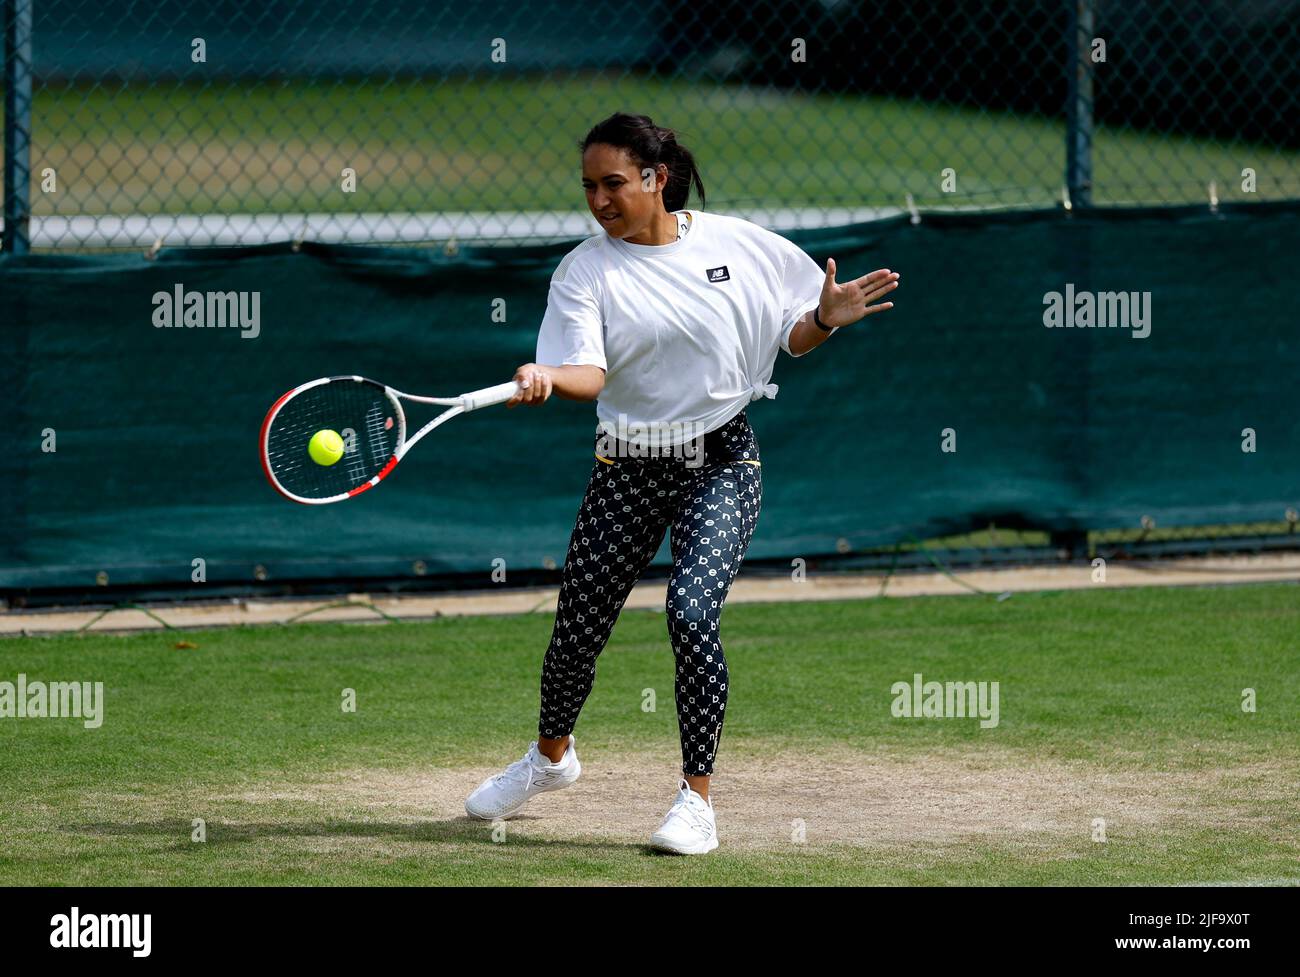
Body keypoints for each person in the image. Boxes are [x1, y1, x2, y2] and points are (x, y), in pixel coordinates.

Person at [465, 112, 899, 854]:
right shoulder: (584, 271)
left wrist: (824, 319)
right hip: (627, 464)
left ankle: (696, 801)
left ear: (656, 178)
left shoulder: (737, 243)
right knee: (577, 628)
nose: (599, 200)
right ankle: (551, 757)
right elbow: (590, 372)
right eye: (588, 187)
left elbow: (792, 332)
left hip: (722, 460)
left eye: (613, 184)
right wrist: (544, 375)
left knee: (691, 611)